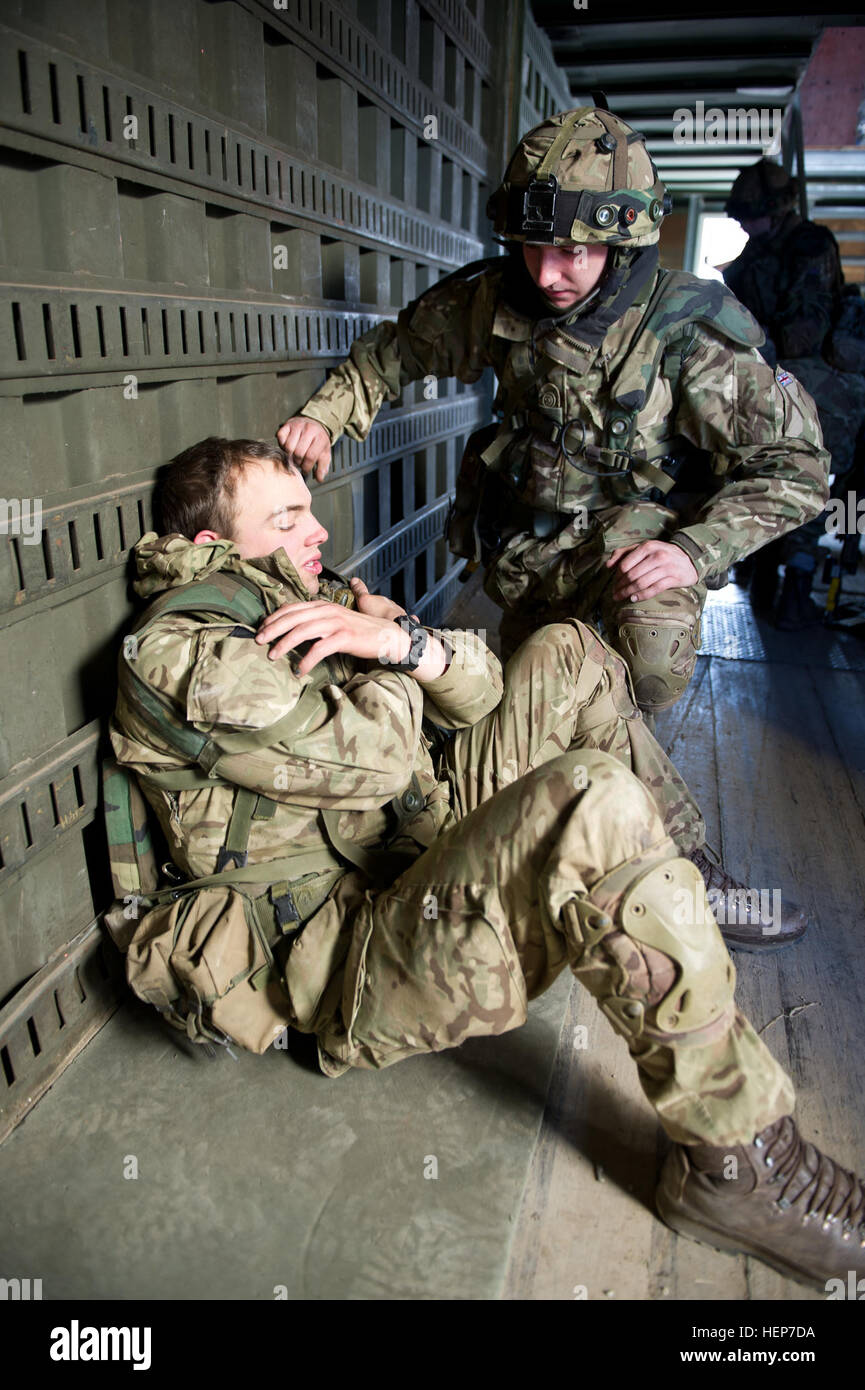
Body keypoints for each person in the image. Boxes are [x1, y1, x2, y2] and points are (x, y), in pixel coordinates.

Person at [107, 436, 864, 1291]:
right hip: (352, 957)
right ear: (213, 546)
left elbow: (482, 691)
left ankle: (676, 874)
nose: (318, 533)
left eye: (310, 512)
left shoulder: (302, 594)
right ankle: (737, 1172)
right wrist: (388, 649)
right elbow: (379, 761)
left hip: (415, 851)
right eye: (287, 519)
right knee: (591, 798)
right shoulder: (183, 657)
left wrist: (409, 645)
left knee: (566, 650)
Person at [276, 107, 829, 715]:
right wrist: (324, 417)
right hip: (525, 548)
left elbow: (797, 466)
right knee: (525, 708)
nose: (546, 274)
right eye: (531, 248)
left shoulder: (683, 327)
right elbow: (395, 352)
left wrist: (693, 551)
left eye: (571, 250)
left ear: (623, 244)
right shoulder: (498, 294)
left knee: (648, 661)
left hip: (629, 550)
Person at [723, 157, 865, 629]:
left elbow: (808, 328)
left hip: (819, 378)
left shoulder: (810, 246)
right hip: (772, 372)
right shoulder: (744, 265)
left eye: (750, 214)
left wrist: (757, 341)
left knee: (818, 471)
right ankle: (758, 558)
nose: (743, 223)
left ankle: (799, 581)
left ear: (776, 209)